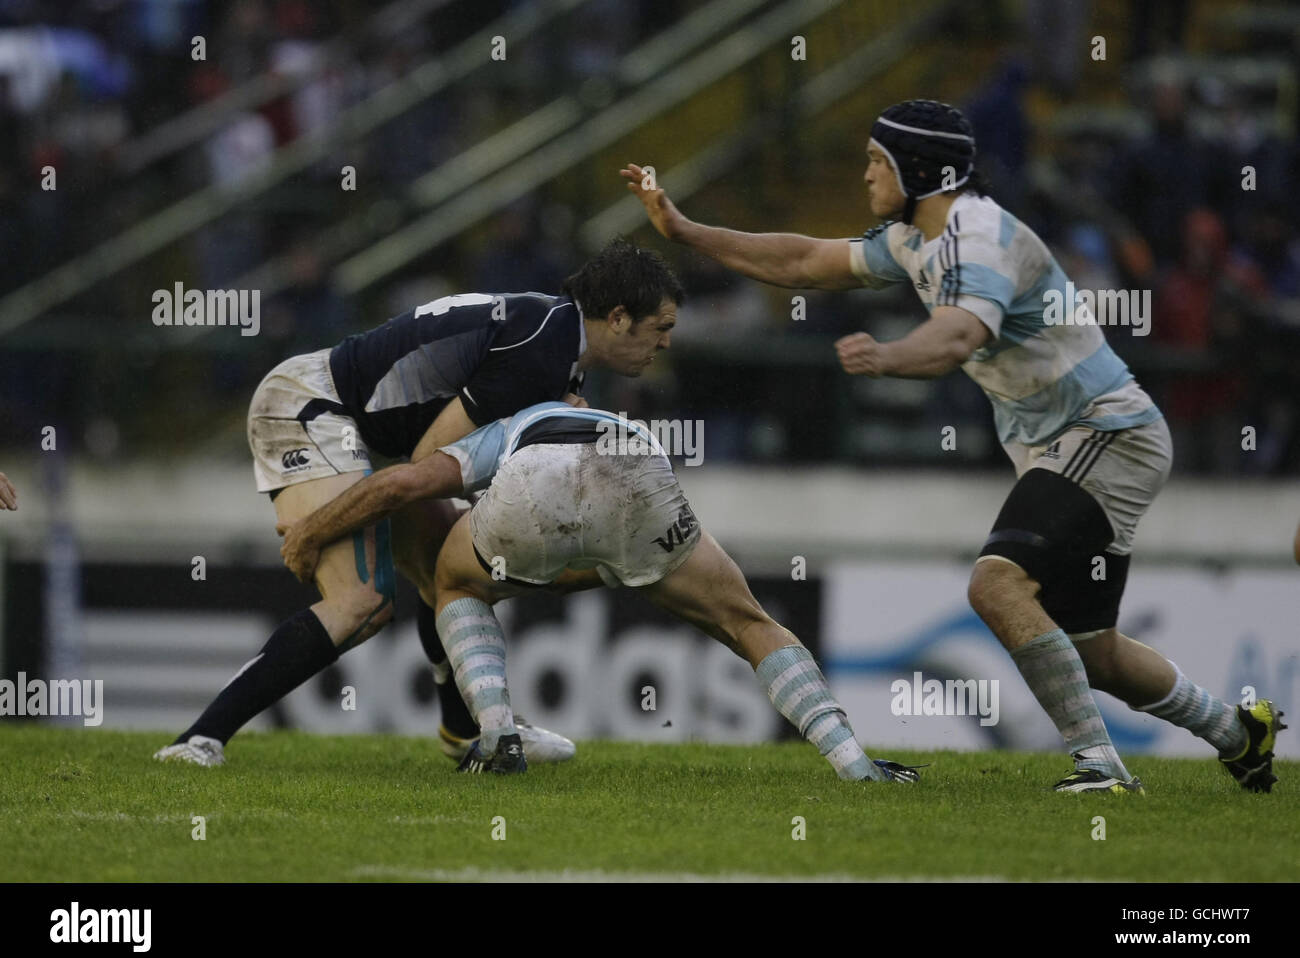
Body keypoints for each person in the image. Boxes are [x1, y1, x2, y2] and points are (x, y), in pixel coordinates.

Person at [620, 100, 1285, 793]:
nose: (867, 174)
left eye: (879, 161)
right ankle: (1241, 733)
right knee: (1094, 652)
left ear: (922, 170)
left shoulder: (981, 237)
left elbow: (959, 336)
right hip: (1069, 443)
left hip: (1103, 431)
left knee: (996, 584)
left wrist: (890, 354)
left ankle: (1102, 767)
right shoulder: (915, 236)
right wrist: (685, 229)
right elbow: (804, 260)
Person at [155, 239, 683, 767]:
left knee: (448, 575)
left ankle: (463, 732)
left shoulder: (554, 341)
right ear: (617, 317)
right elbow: (429, 463)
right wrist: (312, 532)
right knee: (362, 600)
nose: (664, 344)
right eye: (660, 328)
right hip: (311, 405)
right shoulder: (540, 352)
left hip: (363, 429)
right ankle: (199, 739)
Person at [280, 401, 920, 781]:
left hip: (533, 476)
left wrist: (316, 527)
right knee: (747, 621)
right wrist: (616, 566)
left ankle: (500, 734)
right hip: (638, 467)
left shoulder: (506, 423)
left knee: (452, 582)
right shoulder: (611, 413)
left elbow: (402, 488)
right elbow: (605, 541)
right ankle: (855, 761)